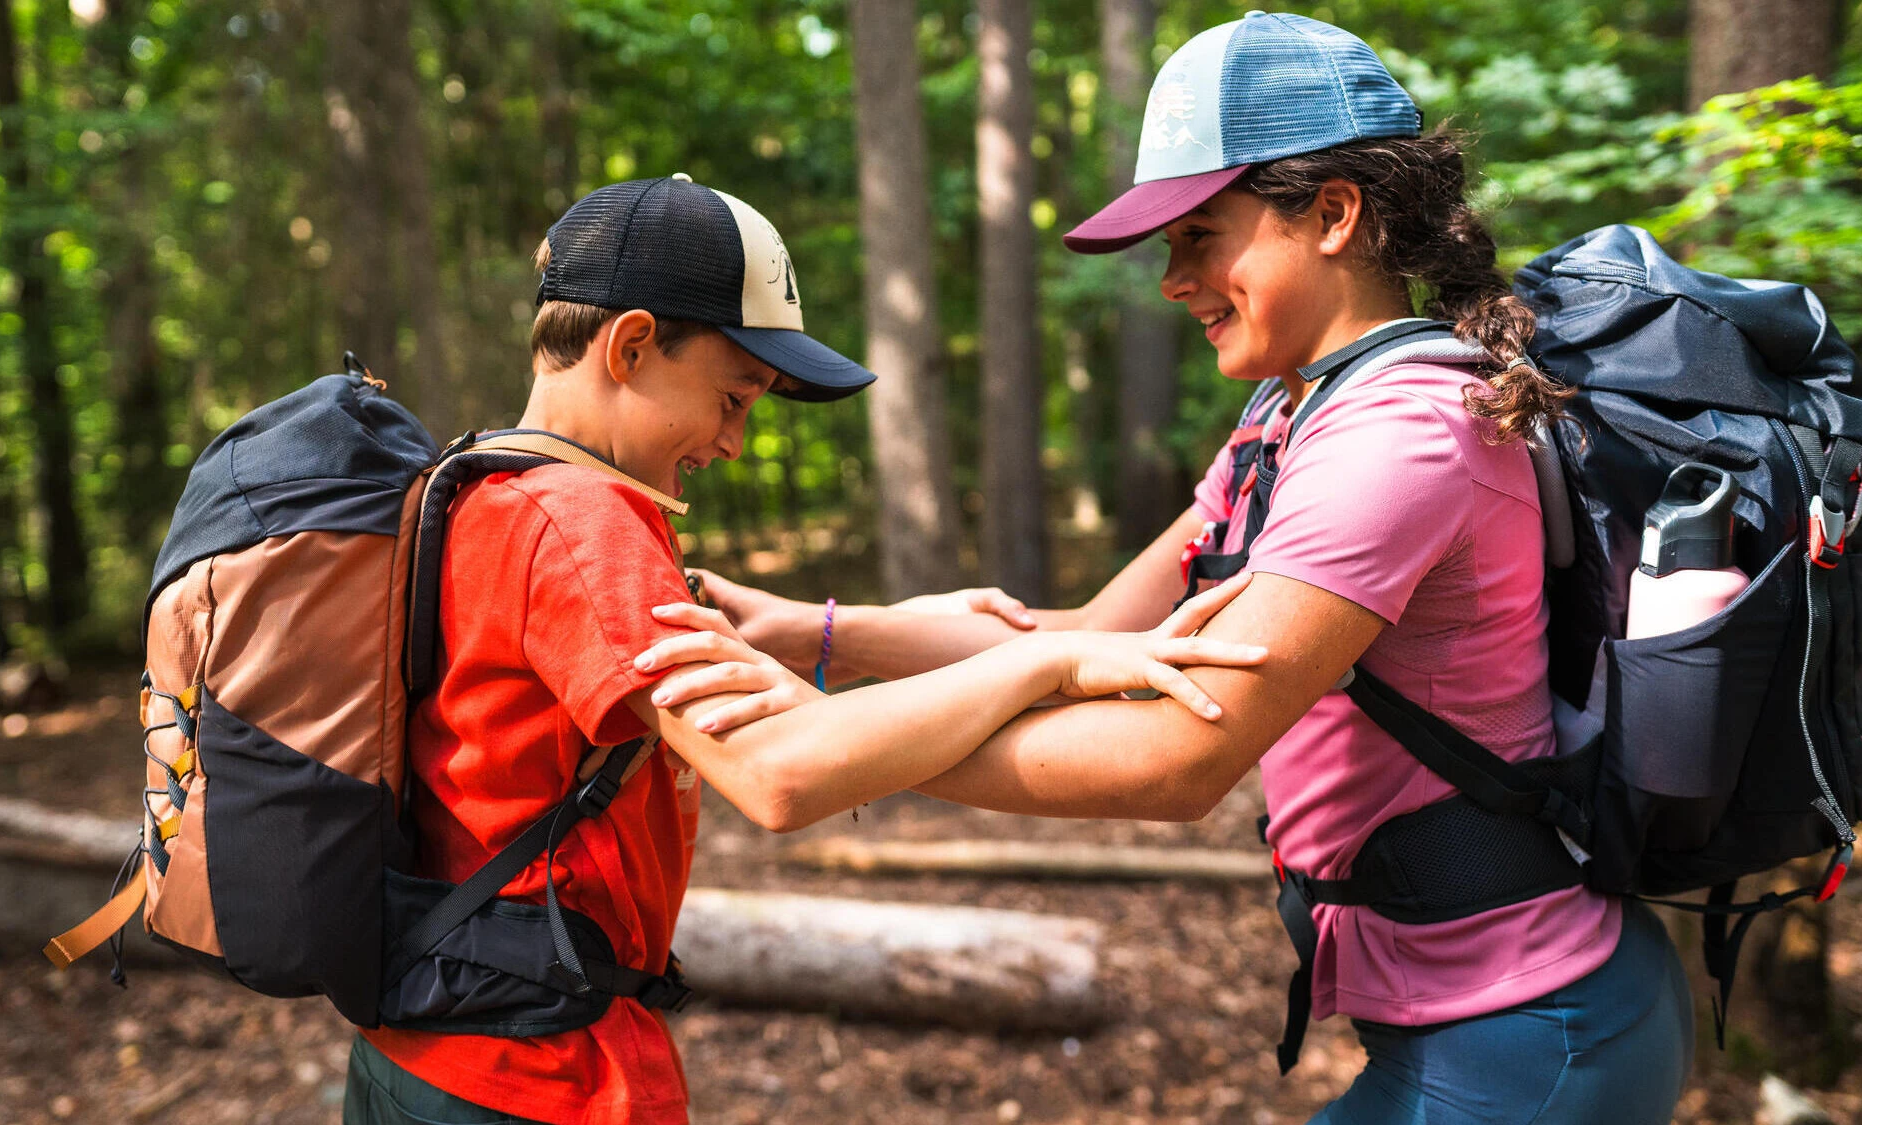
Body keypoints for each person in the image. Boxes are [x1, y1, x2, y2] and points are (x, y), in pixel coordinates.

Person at [650, 15, 1694, 1124]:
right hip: (1486, 1022)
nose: (1171, 280)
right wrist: (811, 633)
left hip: (1530, 1038)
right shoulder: (1291, 413)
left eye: (1200, 234)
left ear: (1333, 214)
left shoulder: (1402, 435)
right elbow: (1094, 638)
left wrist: (833, 741)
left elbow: (1171, 757)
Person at [344, 174, 1268, 1125]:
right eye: (733, 397)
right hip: (532, 1080)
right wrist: (1045, 664)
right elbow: (778, 776)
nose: (736, 443)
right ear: (630, 346)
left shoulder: (485, 484)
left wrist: (883, 625)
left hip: (428, 1043)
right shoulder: (582, 521)